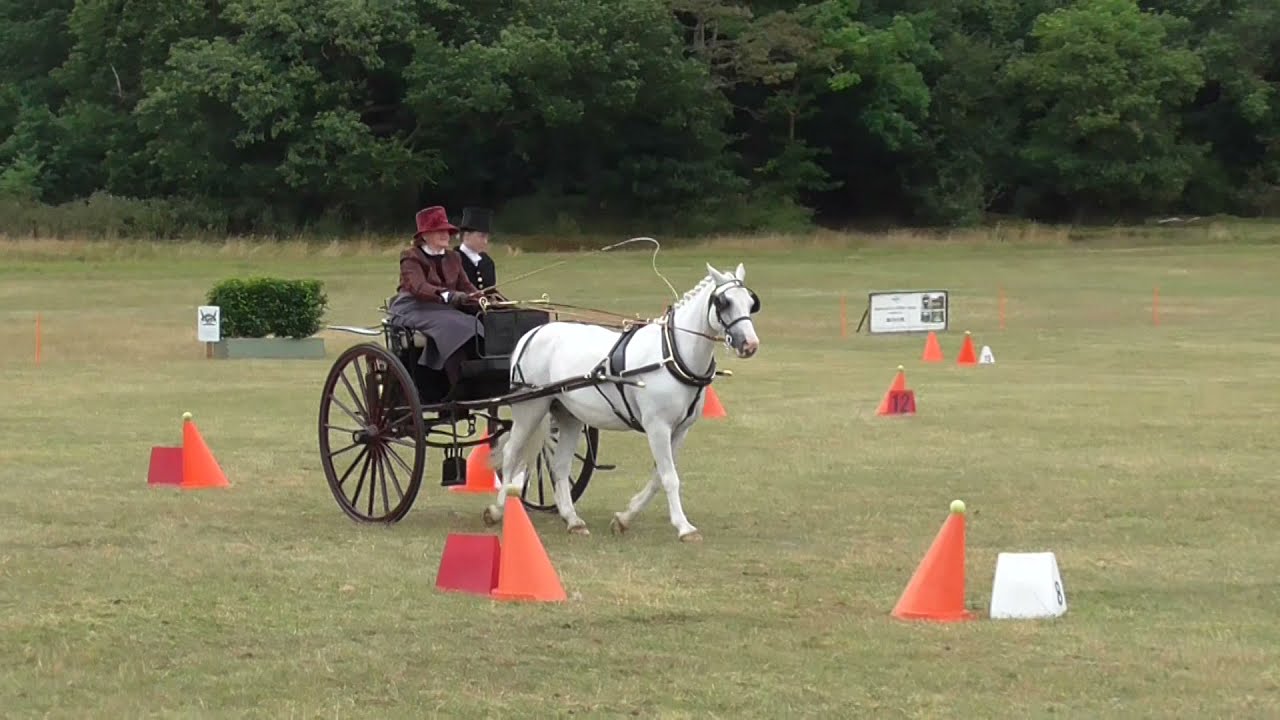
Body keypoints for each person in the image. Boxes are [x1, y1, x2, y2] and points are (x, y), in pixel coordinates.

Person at [387, 206, 484, 395]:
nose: (445, 234)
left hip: (443, 311)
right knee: (453, 324)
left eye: (446, 230)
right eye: (439, 230)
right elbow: (418, 287)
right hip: (412, 308)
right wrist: (448, 295)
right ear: (424, 235)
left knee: (474, 321)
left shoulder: (453, 257)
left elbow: (466, 286)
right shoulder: (410, 257)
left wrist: (481, 299)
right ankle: (457, 383)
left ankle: (477, 378)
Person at [454, 206, 507, 301]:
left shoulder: (487, 262)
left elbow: (490, 291)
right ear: (467, 236)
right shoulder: (452, 259)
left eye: (487, 237)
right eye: (481, 236)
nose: (485, 241)